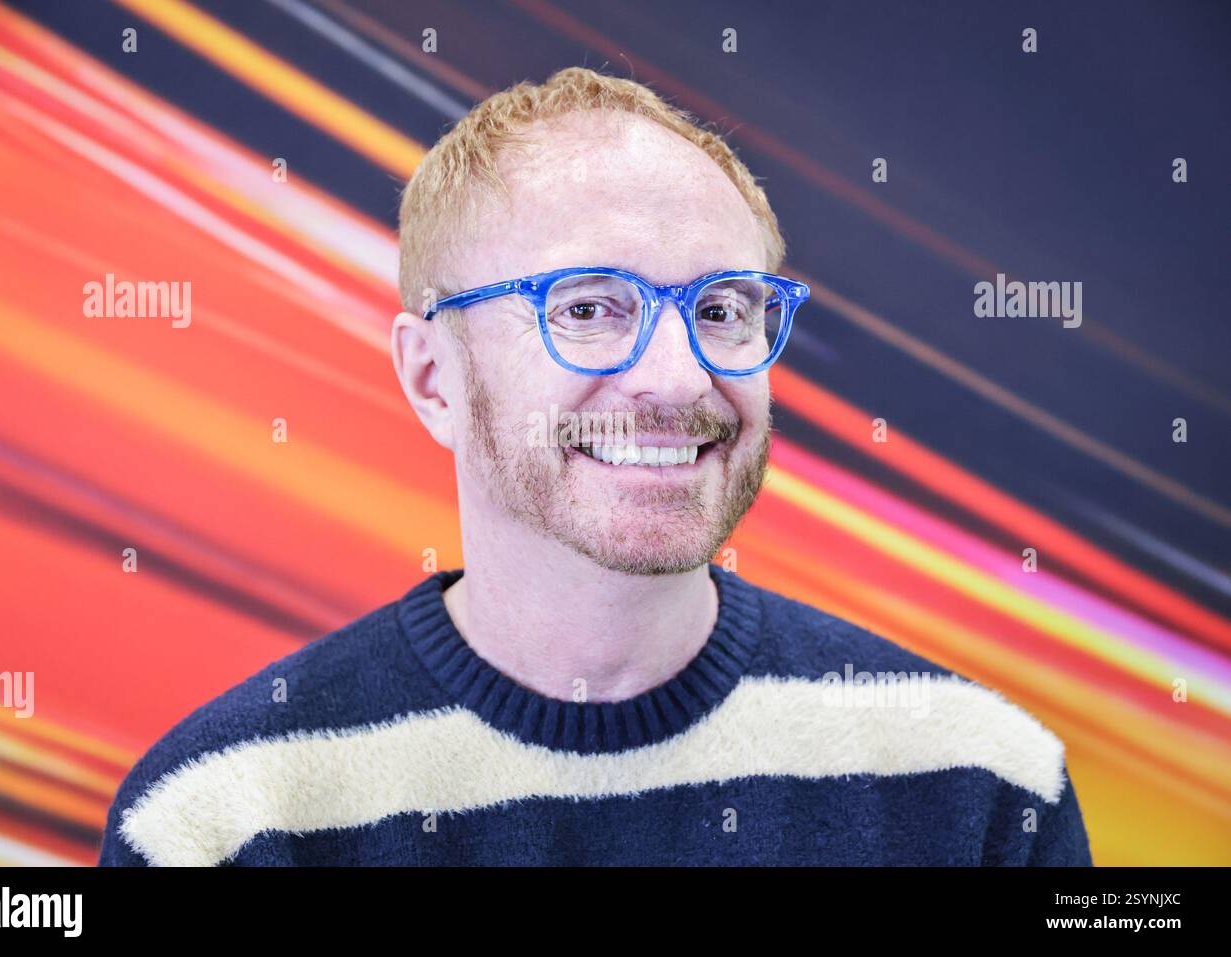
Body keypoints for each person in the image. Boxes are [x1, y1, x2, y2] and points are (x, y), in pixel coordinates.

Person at [98, 66, 1091, 866]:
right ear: (433, 379)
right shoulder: (217, 823)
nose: (675, 376)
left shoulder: (979, 788)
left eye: (719, 309)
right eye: (586, 307)